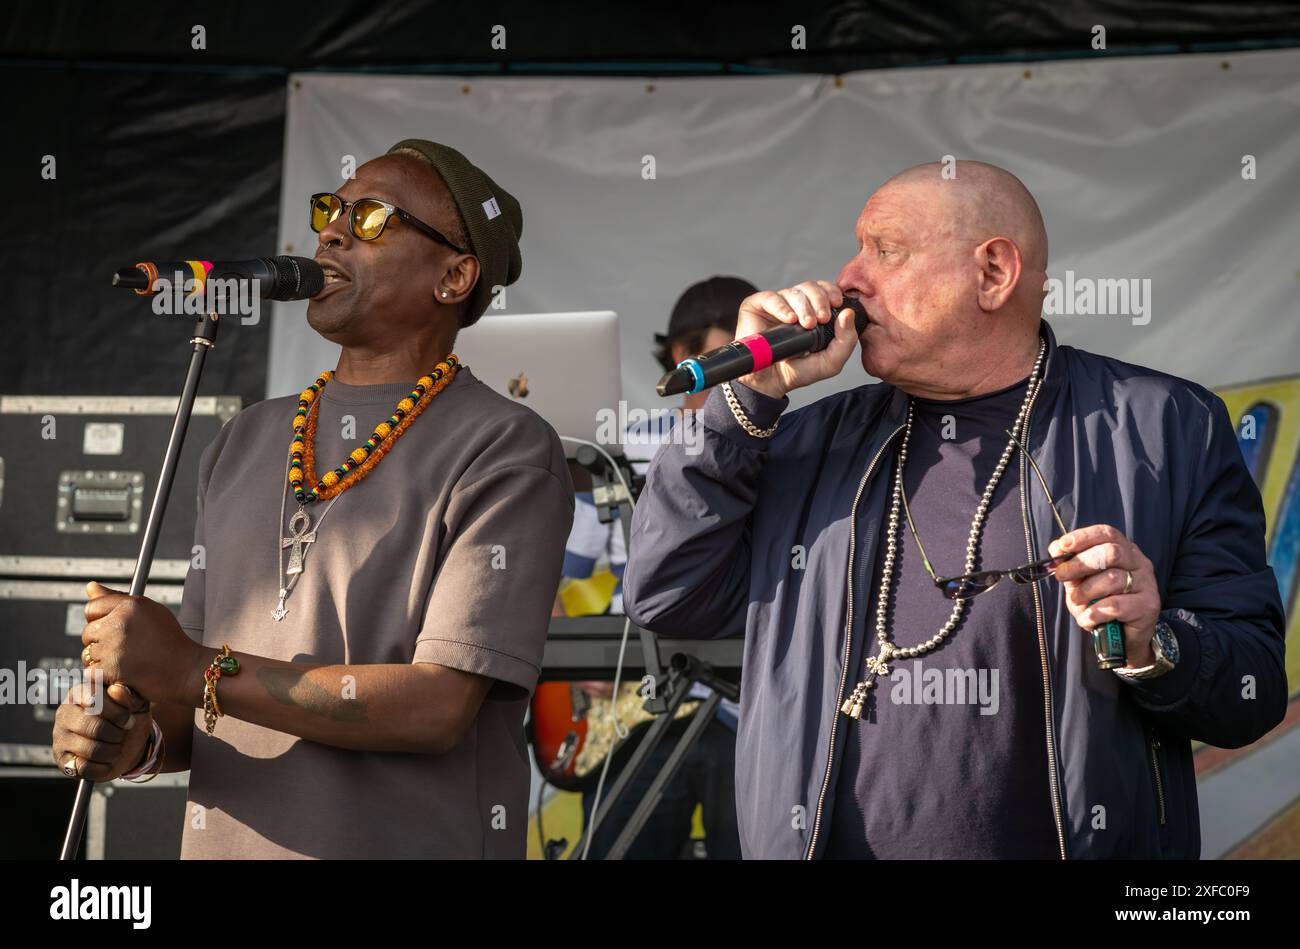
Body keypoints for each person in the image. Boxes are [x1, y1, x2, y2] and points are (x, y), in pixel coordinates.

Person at [623, 161, 1287, 859]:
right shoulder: (802, 441)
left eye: (887, 250)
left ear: (994, 272)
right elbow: (668, 592)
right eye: (857, 248)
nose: (849, 278)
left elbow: (1251, 688)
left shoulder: (1169, 428)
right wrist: (743, 404)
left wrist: (1156, 645)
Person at [52, 139, 575, 859]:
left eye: (369, 218)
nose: (330, 230)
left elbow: (436, 707)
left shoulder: (505, 446)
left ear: (454, 275)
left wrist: (193, 668)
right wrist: (130, 742)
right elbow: (193, 707)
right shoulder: (243, 438)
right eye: (330, 209)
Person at [558, 277, 750, 859]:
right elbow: (542, 570)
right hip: (633, 705)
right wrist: (567, 671)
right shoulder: (620, 450)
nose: (753, 364)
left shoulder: (783, 443)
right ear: (684, 353)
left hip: (747, 710)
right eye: (738, 346)